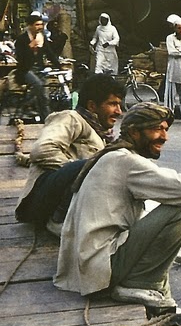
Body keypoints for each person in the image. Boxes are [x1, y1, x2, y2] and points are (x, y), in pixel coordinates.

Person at [54, 102, 181, 312]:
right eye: (156, 129)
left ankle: (151, 286)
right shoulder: (124, 160)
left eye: (165, 129)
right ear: (134, 133)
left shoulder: (113, 155)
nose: (164, 137)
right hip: (100, 268)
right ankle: (141, 283)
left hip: (88, 265)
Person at [15, 74, 124, 234]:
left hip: (65, 196)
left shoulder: (100, 133)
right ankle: (58, 220)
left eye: (119, 105)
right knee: (92, 165)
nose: (119, 112)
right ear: (92, 106)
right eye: (112, 104)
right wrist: (83, 170)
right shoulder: (71, 118)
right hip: (40, 200)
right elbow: (42, 150)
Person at [14, 12, 60, 119]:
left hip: (39, 68)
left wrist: (58, 65)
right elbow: (20, 58)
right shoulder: (22, 39)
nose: (40, 27)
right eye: (37, 25)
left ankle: (46, 118)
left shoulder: (42, 37)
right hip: (25, 70)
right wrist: (30, 46)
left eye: (41, 24)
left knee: (44, 95)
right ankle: (26, 103)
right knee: (38, 85)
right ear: (30, 26)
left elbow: (49, 53)